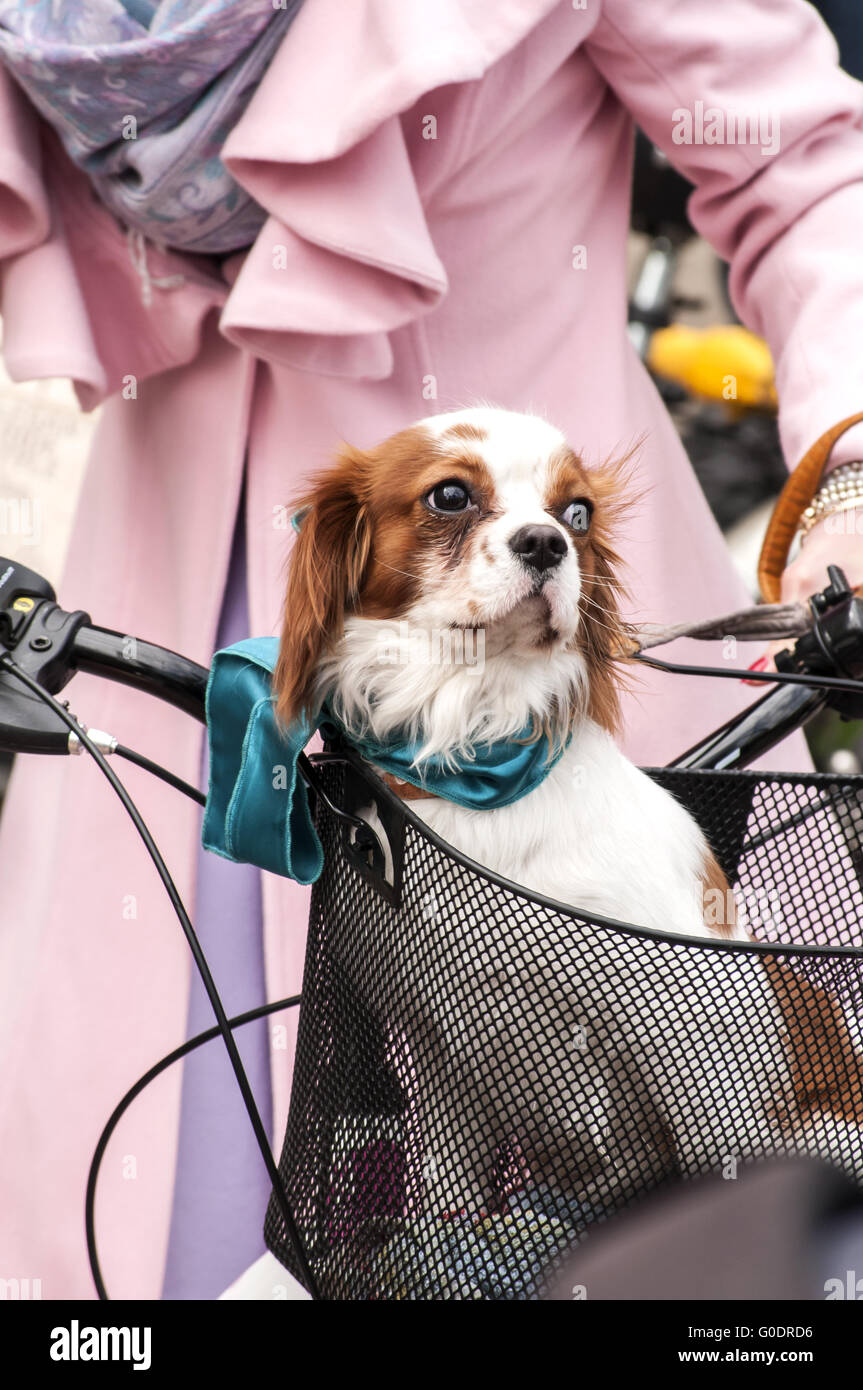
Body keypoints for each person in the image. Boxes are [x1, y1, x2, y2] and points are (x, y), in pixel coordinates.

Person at [0, 0, 862, 1300]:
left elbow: (799, 162)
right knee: (140, 1243)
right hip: (189, 677)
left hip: (552, 691)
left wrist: (848, 475)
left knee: (703, 1241)